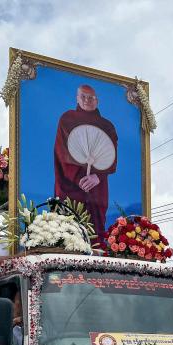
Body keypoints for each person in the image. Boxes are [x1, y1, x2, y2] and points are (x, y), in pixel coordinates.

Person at [53, 84, 118, 246]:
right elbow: (62, 152)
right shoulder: (67, 119)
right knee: (69, 229)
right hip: (70, 184)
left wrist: (98, 177)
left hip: (96, 186)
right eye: (83, 96)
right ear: (77, 98)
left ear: (97, 101)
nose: (87, 100)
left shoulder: (107, 126)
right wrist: (79, 177)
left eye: (91, 97)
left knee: (95, 230)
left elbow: (111, 157)